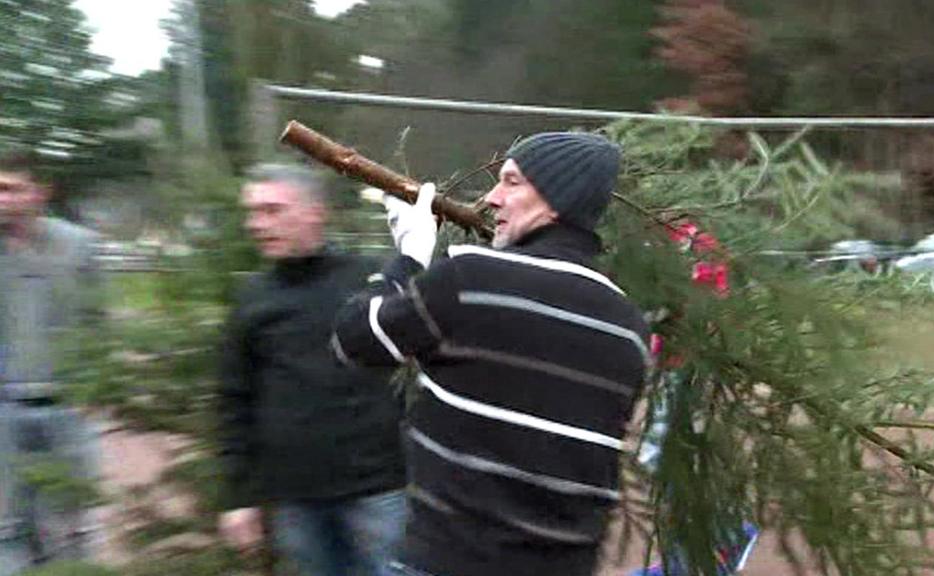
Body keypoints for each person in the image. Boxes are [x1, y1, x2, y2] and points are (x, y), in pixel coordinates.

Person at [331, 132, 651, 576]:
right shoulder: (629, 326)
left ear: (558, 200)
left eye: (512, 182)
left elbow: (354, 340)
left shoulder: (471, 278)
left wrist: (409, 257)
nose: (492, 198)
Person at [217, 164, 408, 576]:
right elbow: (234, 398)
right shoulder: (253, 299)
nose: (257, 224)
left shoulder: (369, 281)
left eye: (272, 210)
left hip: (377, 490)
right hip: (296, 497)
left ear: (315, 212)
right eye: (252, 212)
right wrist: (238, 497)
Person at [0, 150, 104, 573]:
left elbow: (99, 323)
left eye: (11, 188)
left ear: (41, 191)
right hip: (4, 411)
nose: (2, 198)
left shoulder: (79, 247)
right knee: (9, 528)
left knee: (72, 527)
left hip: (66, 408)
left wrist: (93, 391)